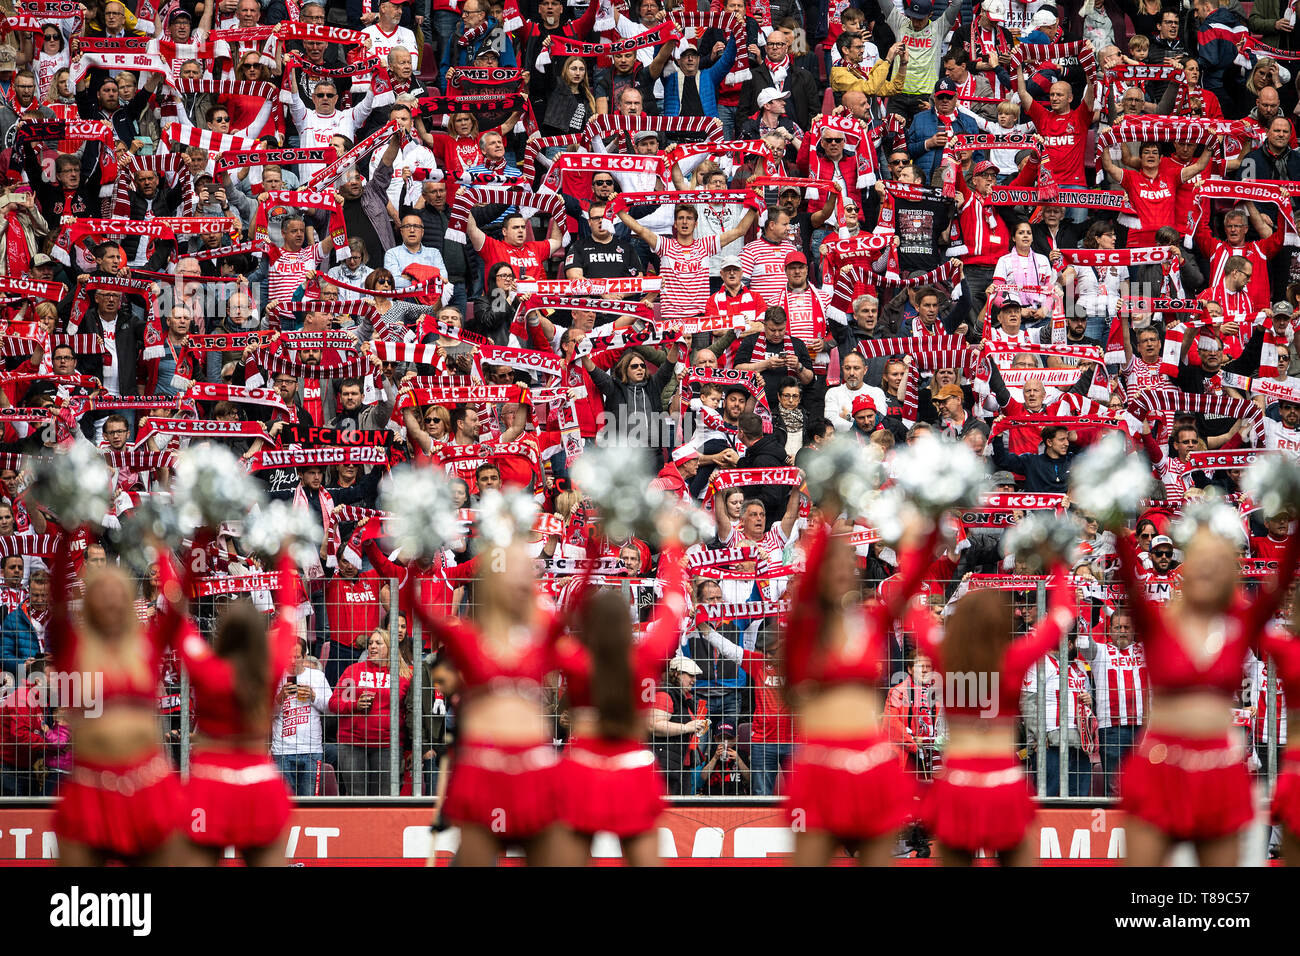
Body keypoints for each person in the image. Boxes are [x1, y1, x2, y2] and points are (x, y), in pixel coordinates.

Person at [1112, 503, 1300, 865]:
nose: (1206, 571)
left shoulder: (1241, 624)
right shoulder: (1157, 622)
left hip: (1219, 776)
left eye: (1216, 564)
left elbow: (1280, 585)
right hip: (1159, 769)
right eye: (1199, 562)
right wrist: (1112, 517)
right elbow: (1131, 581)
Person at [782, 516, 939, 865]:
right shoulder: (804, 629)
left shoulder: (870, 624)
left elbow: (910, 586)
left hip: (873, 763)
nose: (840, 572)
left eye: (845, 564)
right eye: (830, 564)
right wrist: (829, 503)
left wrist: (927, 533)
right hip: (820, 764)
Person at [904, 562, 1075, 864]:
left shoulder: (944, 656)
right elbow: (1061, 618)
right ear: (999, 624)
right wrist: (1058, 561)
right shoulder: (1013, 660)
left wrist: (915, 547)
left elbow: (914, 610)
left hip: (956, 783)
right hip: (1003, 783)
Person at [47, 536, 185, 865]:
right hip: (89, 791)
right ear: (89, 599)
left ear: (127, 600)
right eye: (101, 592)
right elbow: (56, 603)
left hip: (149, 789)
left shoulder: (146, 647)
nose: (109, 599)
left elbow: (177, 607)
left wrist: (167, 544)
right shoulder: (74, 649)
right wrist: (66, 535)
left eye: (116, 592)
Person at [551, 535, 687, 864]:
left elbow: (549, 630)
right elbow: (674, 606)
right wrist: (673, 542)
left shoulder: (578, 662)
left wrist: (588, 565)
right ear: (628, 625)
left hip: (582, 768)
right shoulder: (646, 658)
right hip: (634, 770)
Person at [158, 549, 297, 865]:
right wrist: (287, 551)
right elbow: (288, 613)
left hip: (210, 784)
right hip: (260, 783)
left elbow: (177, 619)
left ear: (221, 634)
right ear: (256, 636)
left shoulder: (207, 669)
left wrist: (161, 553)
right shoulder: (270, 668)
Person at [328, 627, 410, 797]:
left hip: (388, 745)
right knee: (357, 796)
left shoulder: (403, 675)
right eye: (371, 643)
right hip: (352, 743)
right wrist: (355, 705)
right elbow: (334, 703)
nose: (372, 646)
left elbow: (410, 711)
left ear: (389, 647)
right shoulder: (353, 671)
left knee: (384, 797)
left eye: (378, 643)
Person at [270, 636, 333, 797]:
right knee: (284, 802)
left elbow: (331, 709)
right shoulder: (274, 676)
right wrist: (279, 697)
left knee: (311, 802)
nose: (292, 661)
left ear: (305, 657)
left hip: (311, 749)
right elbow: (263, 713)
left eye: (297, 657)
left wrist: (313, 697)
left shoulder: (317, 676)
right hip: (283, 749)